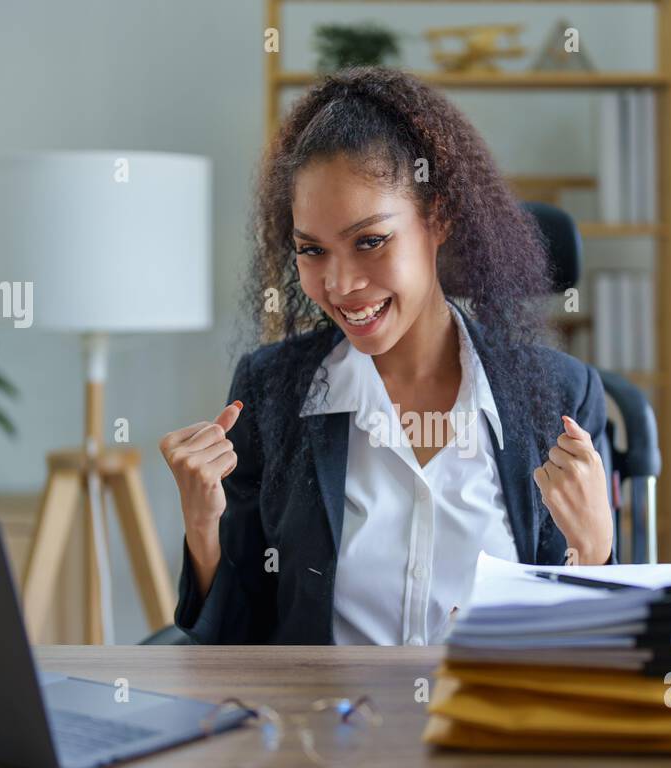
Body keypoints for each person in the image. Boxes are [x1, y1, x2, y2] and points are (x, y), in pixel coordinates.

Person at [160, 66, 613, 646]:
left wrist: (595, 551)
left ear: (438, 217)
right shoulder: (270, 389)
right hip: (323, 726)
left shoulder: (558, 397)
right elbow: (235, 642)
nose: (340, 283)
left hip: (482, 728)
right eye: (312, 250)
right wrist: (202, 526)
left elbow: (593, 653)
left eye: (370, 241)